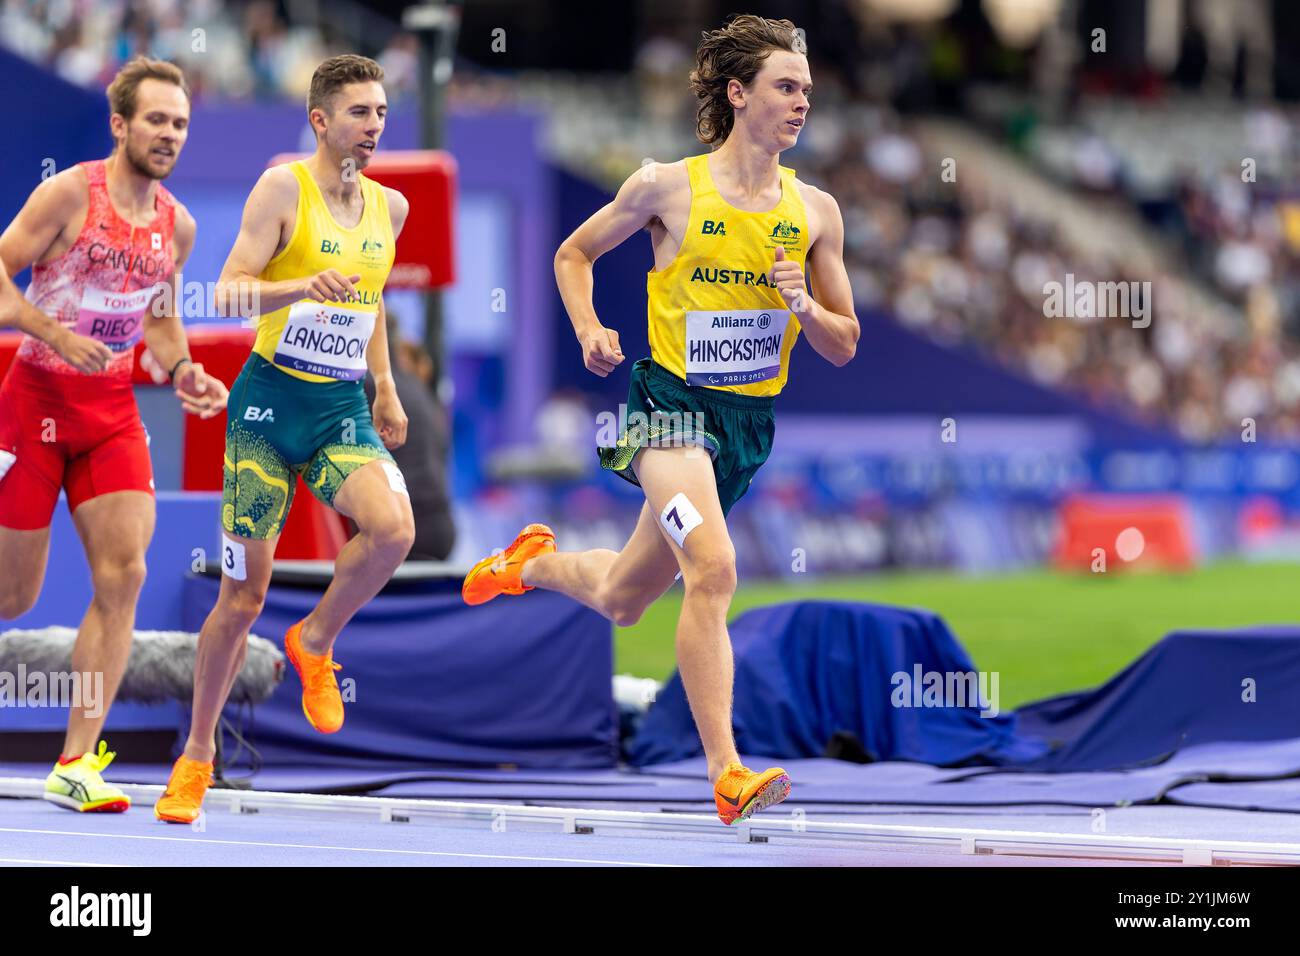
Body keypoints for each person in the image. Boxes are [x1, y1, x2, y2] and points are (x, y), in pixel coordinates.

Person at [463, 15, 859, 825]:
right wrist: (588, 329)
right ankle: (727, 773)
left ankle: (528, 561)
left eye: (808, 91)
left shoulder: (816, 211)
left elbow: (846, 343)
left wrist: (804, 304)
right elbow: (572, 254)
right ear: (737, 92)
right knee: (713, 568)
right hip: (668, 414)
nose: (801, 103)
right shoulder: (664, 187)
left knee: (621, 596)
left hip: (745, 427)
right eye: (786, 87)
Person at [156, 54, 413, 823]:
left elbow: (369, 309)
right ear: (321, 120)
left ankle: (316, 640)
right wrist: (298, 285)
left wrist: (388, 387)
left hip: (339, 408)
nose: (372, 127)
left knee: (395, 529)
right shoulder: (281, 189)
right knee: (242, 597)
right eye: (359, 113)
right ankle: (197, 755)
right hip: (266, 409)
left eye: (381, 114)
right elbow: (227, 288)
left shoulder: (390, 209)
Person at [0, 56, 228, 813]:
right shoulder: (69, 193)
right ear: (121, 124)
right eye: (156, 119)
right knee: (12, 597)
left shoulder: (179, 226)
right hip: (31, 404)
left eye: (181, 124)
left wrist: (186, 369)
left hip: (110, 415)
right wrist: (51, 332)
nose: (169, 134)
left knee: (124, 575)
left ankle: (73, 762)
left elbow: (160, 319)